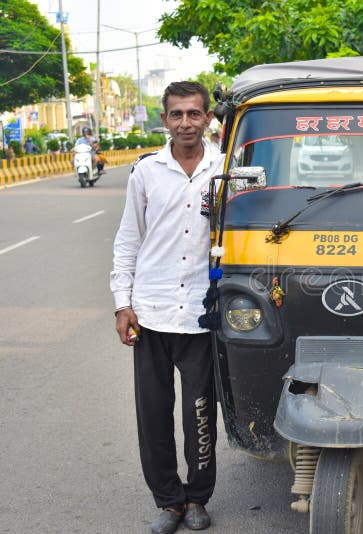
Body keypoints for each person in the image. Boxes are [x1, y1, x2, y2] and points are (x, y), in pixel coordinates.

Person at [110, 81, 224, 534]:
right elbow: (128, 240)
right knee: (153, 414)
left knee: (200, 414)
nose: (185, 123)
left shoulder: (225, 168)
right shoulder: (146, 172)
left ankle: (197, 498)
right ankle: (168, 502)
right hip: (151, 310)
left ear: (208, 118)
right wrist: (123, 304)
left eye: (194, 114)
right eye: (176, 115)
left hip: (200, 312)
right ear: (165, 120)